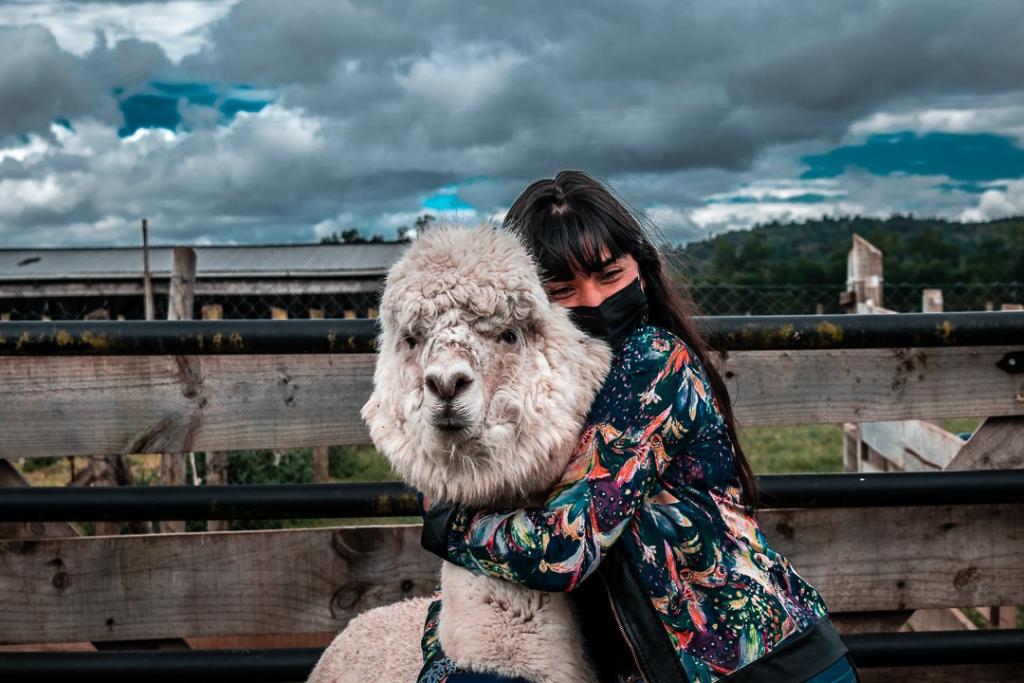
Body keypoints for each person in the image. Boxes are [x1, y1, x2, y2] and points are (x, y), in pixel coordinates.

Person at [416, 170, 861, 683]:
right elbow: (481, 554)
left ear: (642, 273)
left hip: (770, 668)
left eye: (610, 276)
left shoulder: (652, 363)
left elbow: (565, 548)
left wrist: (449, 523)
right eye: (562, 288)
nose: (594, 300)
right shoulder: (535, 403)